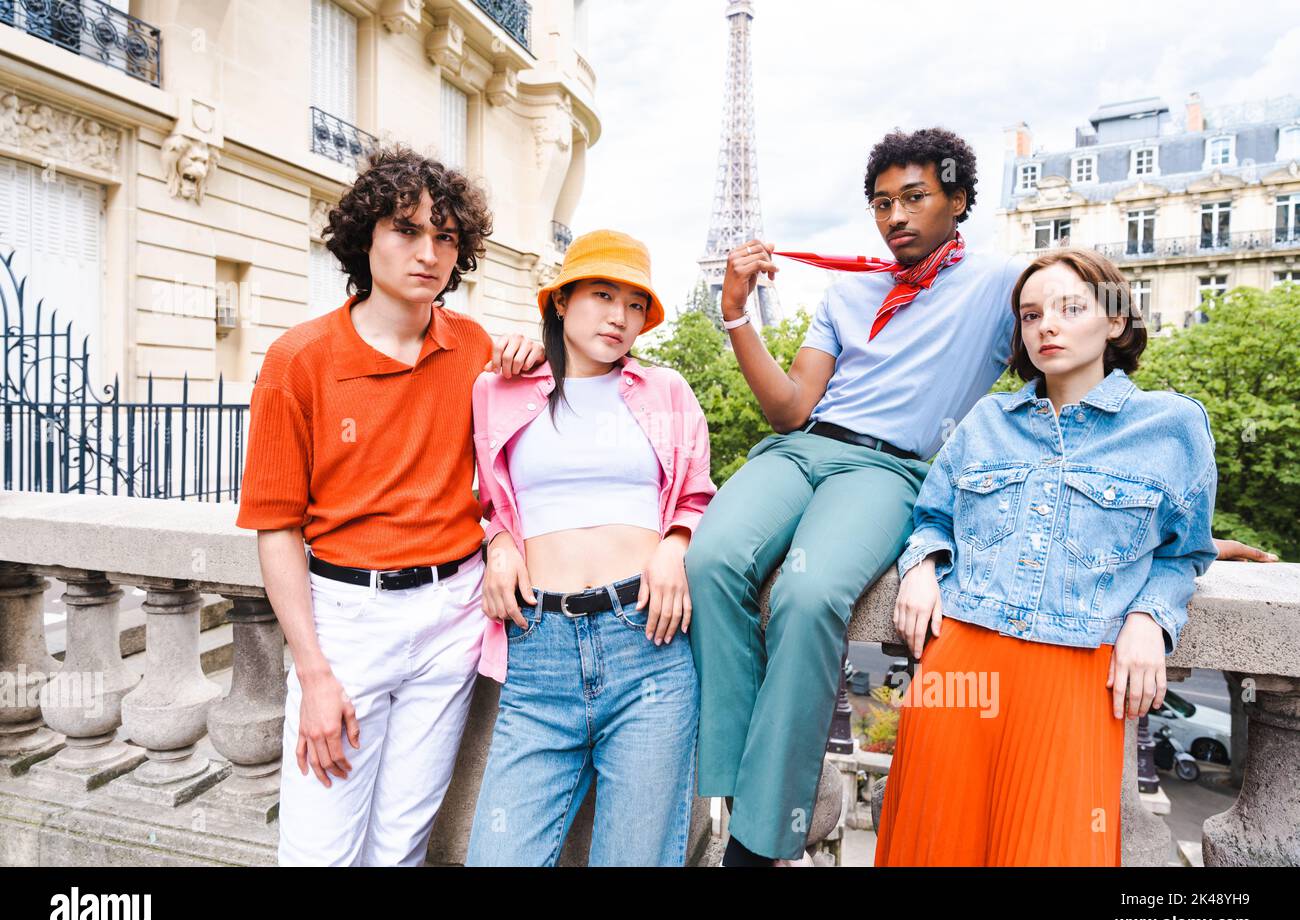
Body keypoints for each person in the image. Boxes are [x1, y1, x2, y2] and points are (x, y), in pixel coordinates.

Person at [685, 128, 1031, 866]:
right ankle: (736, 788)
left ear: (958, 200)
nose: (896, 215)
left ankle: (760, 835)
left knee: (807, 596)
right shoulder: (848, 291)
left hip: (889, 470)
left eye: (915, 197)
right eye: (882, 203)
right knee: (711, 560)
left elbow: (1069, 357)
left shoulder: (1002, 284)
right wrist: (736, 312)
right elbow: (787, 407)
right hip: (803, 447)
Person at [235, 146, 544, 866]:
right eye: (406, 230)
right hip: (347, 623)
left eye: (445, 236)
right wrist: (313, 673)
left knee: (402, 844)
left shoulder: (474, 349)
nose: (428, 252)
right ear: (364, 238)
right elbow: (277, 528)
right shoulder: (297, 360)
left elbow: (518, 474)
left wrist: (502, 540)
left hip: (452, 617)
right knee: (319, 851)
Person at [877, 248, 1219, 866]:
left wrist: (1149, 618)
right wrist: (922, 566)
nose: (1047, 327)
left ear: (1115, 320)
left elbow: (1186, 552)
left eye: (1069, 308)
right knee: (930, 849)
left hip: (1075, 674)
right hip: (958, 665)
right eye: (1031, 316)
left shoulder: (1171, 426)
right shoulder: (985, 421)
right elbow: (929, 519)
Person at [464, 230, 716, 866]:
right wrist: (496, 543)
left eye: (635, 305)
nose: (619, 316)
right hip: (536, 649)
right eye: (603, 295)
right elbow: (481, 500)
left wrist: (675, 544)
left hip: (648, 646)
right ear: (560, 301)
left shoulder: (667, 393)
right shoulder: (498, 390)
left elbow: (698, 496)